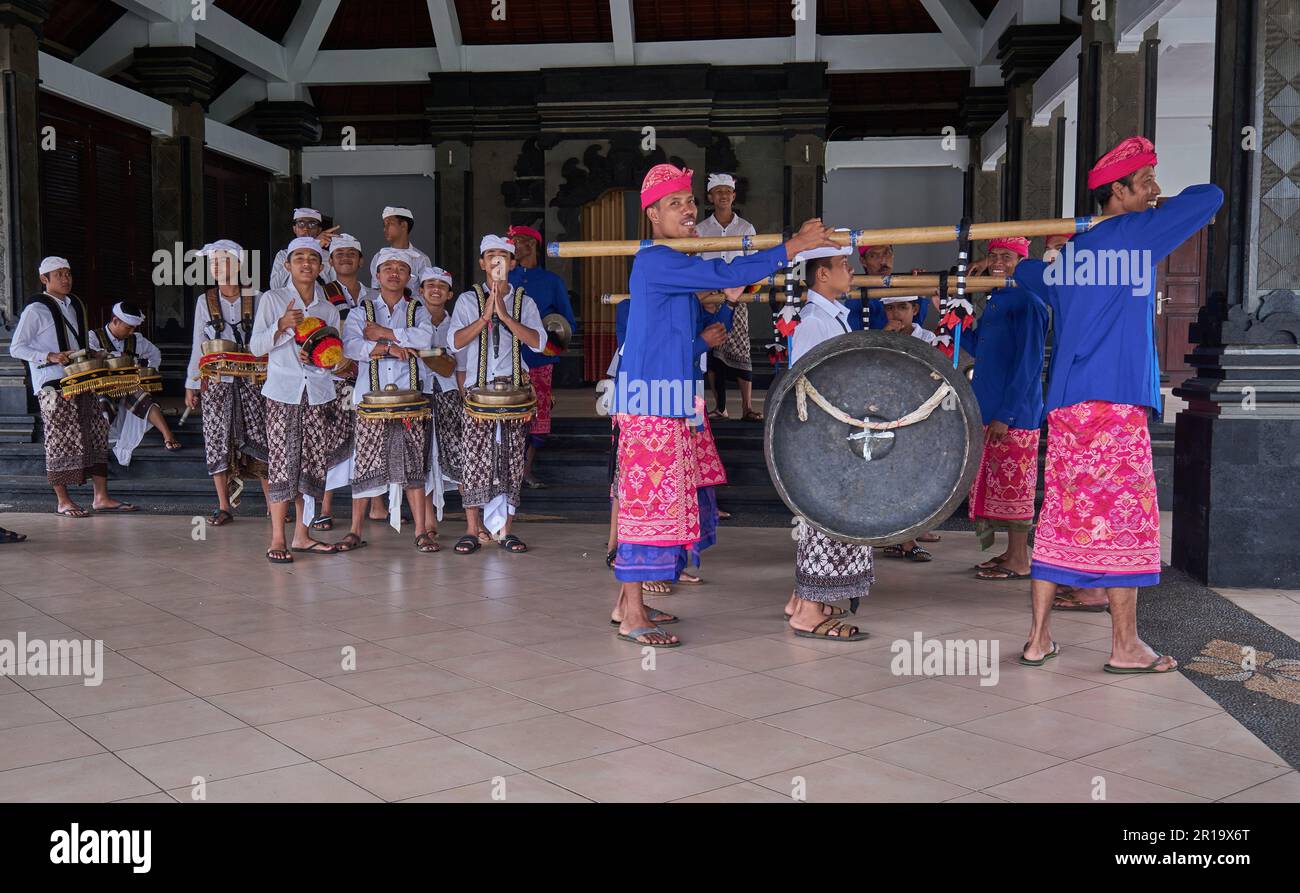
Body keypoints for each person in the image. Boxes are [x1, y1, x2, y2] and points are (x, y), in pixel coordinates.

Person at [1013, 136, 1222, 672]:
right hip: (1116, 404)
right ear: (1118, 191)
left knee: (1060, 512)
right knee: (1126, 518)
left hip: (1065, 406)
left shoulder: (1072, 256)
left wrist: (1018, 267)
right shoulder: (1136, 236)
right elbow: (1211, 196)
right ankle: (1125, 646)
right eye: (1146, 181)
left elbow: (1030, 276)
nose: (1154, 191)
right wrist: (1160, 205)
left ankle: (1039, 639)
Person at [610, 162, 837, 647]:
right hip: (649, 400)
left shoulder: (675, 265)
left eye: (689, 201)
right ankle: (629, 613)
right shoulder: (655, 258)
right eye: (676, 204)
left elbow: (706, 313)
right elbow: (719, 271)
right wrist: (792, 247)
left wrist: (733, 297)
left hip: (667, 399)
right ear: (651, 215)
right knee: (645, 508)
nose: (689, 209)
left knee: (659, 505)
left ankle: (632, 603)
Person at [783, 244, 873, 640]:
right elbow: (807, 385)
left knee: (828, 522)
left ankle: (800, 599)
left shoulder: (831, 318)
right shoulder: (813, 322)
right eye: (843, 265)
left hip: (837, 433)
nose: (850, 271)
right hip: (824, 437)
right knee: (823, 522)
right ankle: (806, 611)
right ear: (822, 274)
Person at [9, 257, 137, 517]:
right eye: (59, 275)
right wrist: (50, 356)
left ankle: (101, 497)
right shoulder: (35, 309)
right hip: (52, 383)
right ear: (45, 279)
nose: (66, 279)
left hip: (82, 378)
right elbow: (17, 347)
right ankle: (63, 500)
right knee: (59, 439)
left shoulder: (75, 304)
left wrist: (94, 353)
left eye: (68, 273)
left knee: (96, 432)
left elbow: (76, 342)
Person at [449, 235, 547, 555]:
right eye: (490, 256)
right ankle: (472, 530)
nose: (496, 263)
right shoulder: (467, 300)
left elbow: (538, 342)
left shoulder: (523, 301)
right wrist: (484, 316)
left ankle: (507, 530)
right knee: (474, 459)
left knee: (511, 458)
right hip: (479, 390)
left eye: (503, 257)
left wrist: (504, 316)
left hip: (512, 390)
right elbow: (455, 342)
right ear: (482, 263)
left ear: (512, 264)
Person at [249, 237, 345, 562]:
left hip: (318, 394)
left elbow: (333, 355)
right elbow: (255, 347)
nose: (306, 263)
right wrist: (281, 326)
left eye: (313, 259)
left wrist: (323, 360)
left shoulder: (329, 308)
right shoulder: (273, 300)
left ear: (321, 267)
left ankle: (303, 536)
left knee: (311, 464)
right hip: (283, 392)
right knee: (282, 463)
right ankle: (278, 537)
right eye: (299, 258)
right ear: (288, 265)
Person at [959, 237, 1049, 581]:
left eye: (1006, 257)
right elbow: (978, 347)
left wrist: (1007, 414)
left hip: (1015, 412)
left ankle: (1020, 559)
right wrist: (952, 311)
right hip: (990, 406)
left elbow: (1029, 364)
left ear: (1022, 261)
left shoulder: (1028, 300)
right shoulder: (997, 299)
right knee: (998, 483)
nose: (998, 262)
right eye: (993, 255)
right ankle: (1012, 554)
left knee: (1015, 487)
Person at [339, 248, 435, 553]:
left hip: (409, 400)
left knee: (413, 463)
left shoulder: (417, 310)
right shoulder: (359, 311)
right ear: (377, 275)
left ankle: (421, 530)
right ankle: (355, 530)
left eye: (401, 269)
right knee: (364, 462)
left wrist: (381, 333)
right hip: (370, 401)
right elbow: (351, 346)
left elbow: (425, 340)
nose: (394, 273)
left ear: (409, 277)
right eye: (388, 268)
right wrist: (391, 347)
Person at [185, 241, 271, 525]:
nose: (217, 268)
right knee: (217, 439)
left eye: (222, 262)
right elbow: (199, 344)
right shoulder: (204, 301)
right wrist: (191, 384)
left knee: (262, 438)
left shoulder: (259, 297)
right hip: (218, 381)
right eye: (213, 264)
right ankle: (224, 506)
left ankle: (274, 505)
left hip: (254, 381)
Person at [507, 224, 577, 489]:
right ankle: (508, 472)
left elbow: (568, 323)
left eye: (518, 241)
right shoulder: (503, 280)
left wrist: (552, 346)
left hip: (539, 360)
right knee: (507, 414)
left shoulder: (551, 282)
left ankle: (525, 469)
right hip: (506, 360)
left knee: (537, 419)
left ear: (532, 244)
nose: (513, 246)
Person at [309, 233, 369, 532]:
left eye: (351, 253)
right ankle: (325, 508)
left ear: (361, 260)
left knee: (367, 440)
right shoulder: (321, 294)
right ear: (330, 262)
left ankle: (376, 505)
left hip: (366, 377)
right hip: (331, 379)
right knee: (329, 442)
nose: (345, 258)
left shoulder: (372, 296)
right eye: (339, 254)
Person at [877, 294, 943, 560]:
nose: (896, 314)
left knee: (912, 479)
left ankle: (907, 536)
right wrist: (884, 340)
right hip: (887, 416)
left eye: (902, 307)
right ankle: (905, 540)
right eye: (890, 307)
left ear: (914, 309)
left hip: (918, 418)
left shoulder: (928, 339)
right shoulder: (879, 336)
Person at [696, 173, 761, 421]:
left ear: (734, 196)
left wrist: (741, 291)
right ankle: (720, 407)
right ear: (711, 197)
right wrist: (706, 295)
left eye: (727, 191)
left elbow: (754, 264)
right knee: (714, 350)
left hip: (738, 296)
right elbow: (695, 266)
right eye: (718, 191)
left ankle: (747, 407)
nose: (723, 196)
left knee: (741, 348)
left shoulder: (746, 228)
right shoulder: (701, 230)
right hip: (710, 298)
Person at [88, 301, 181, 463]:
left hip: (128, 386)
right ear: (115, 321)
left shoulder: (136, 340)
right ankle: (99, 445)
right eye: (128, 327)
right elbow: (90, 356)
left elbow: (155, 354)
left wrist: (147, 373)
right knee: (102, 401)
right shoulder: (93, 337)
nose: (131, 331)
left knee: (142, 396)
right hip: (102, 387)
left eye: (133, 328)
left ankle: (168, 435)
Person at [412, 265, 465, 544]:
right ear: (420, 291)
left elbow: (460, 363)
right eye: (429, 285)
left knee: (456, 453)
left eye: (441, 286)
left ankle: (473, 520)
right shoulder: (410, 321)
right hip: (418, 392)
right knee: (423, 456)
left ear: (449, 293)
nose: (435, 290)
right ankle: (428, 521)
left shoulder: (457, 324)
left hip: (448, 392)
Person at [269, 208, 338, 291]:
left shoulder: (329, 256)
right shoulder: (283, 255)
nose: (306, 228)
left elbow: (335, 287)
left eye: (312, 224)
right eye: (301, 224)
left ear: (319, 230)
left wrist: (315, 247)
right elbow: (275, 286)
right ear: (294, 229)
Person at [369, 206, 432, 291]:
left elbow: (426, 292)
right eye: (384, 225)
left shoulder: (421, 259)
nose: (385, 229)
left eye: (389, 224)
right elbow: (375, 290)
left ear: (403, 225)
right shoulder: (379, 257)